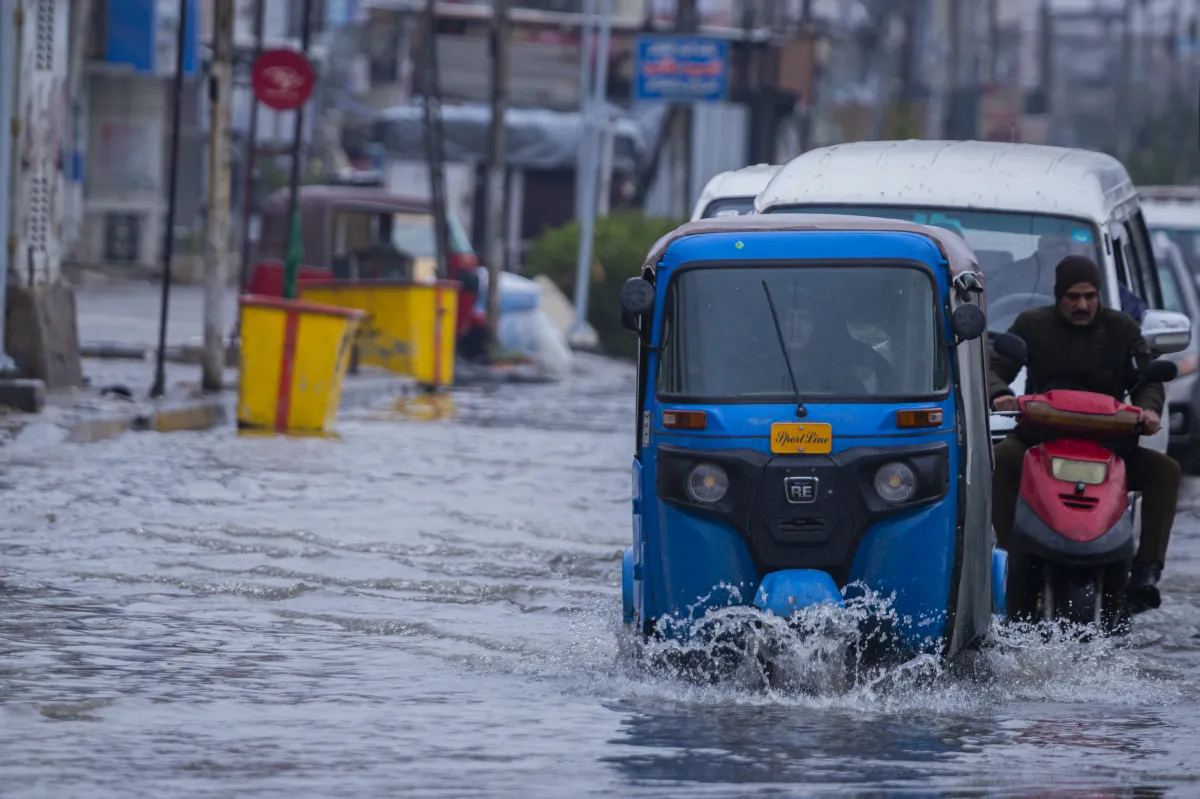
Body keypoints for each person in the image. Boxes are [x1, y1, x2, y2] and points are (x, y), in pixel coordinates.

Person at [989, 255, 1179, 613]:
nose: (1082, 304)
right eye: (1073, 296)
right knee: (1000, 459)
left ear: (1099, 295)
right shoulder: (1032, 324)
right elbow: (997, 364)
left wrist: (1149, 410)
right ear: (1059, 296)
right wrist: (1000, 393)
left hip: (1110, 445)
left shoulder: (1123, 328)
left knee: (1166, 471)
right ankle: (1008, 554)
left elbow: (1147, 377)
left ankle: (1146, 572)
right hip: (1041, 440)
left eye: (1090, 296)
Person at [782, 304, 897, 395]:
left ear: (814, 326)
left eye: (804, 318)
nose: (795, 326)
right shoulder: (764, 369)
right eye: (787, 318)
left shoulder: (838, 370)